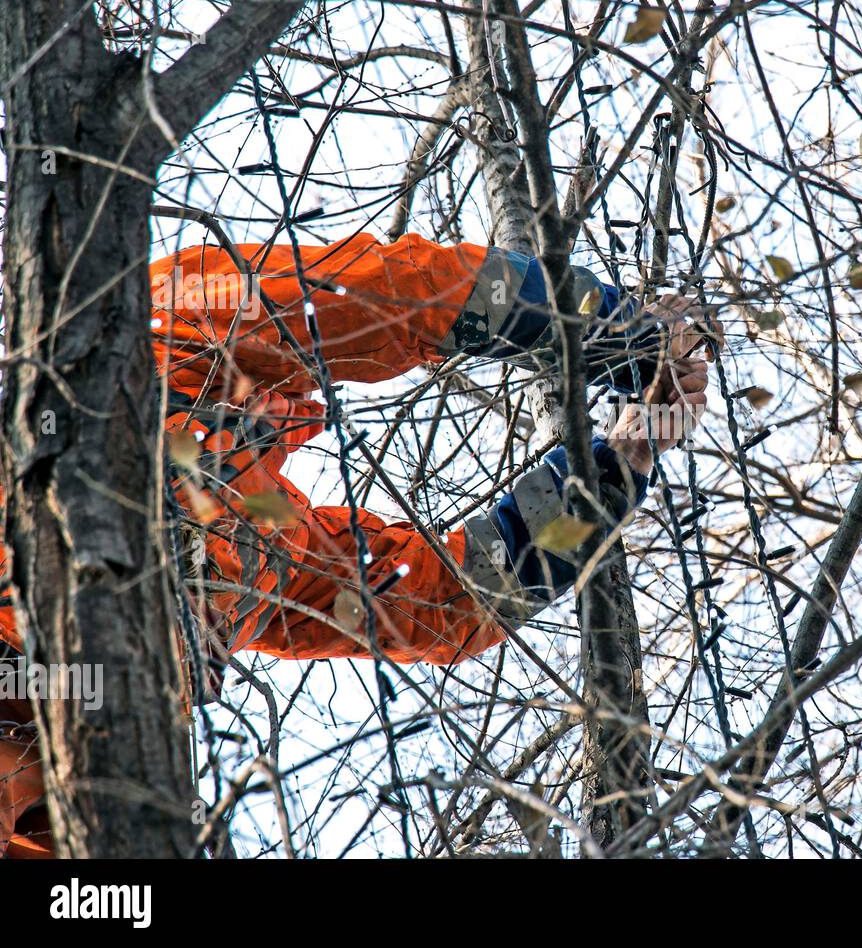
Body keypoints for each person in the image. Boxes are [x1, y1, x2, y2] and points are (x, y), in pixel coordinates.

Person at [0, 231, 709, 858]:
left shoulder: (260, 515)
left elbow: (459, 594)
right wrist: (615, 395)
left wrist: (621, 397)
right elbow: (462, 596)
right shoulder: (155, 332)